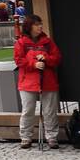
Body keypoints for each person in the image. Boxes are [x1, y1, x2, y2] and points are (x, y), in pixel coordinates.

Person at [14, 14, 61, 150]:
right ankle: (26, 137)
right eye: (36, 24)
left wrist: (45, 58)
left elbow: (57, 57)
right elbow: (19, 60)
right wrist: (34, 64)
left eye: (40, 24)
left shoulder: (47, 42)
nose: (40, 26)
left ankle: (52, 136)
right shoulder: (21, 43)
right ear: (29, 27)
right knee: (28, 110)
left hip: (47, 81)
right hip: (28, 82)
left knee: (49, 111)